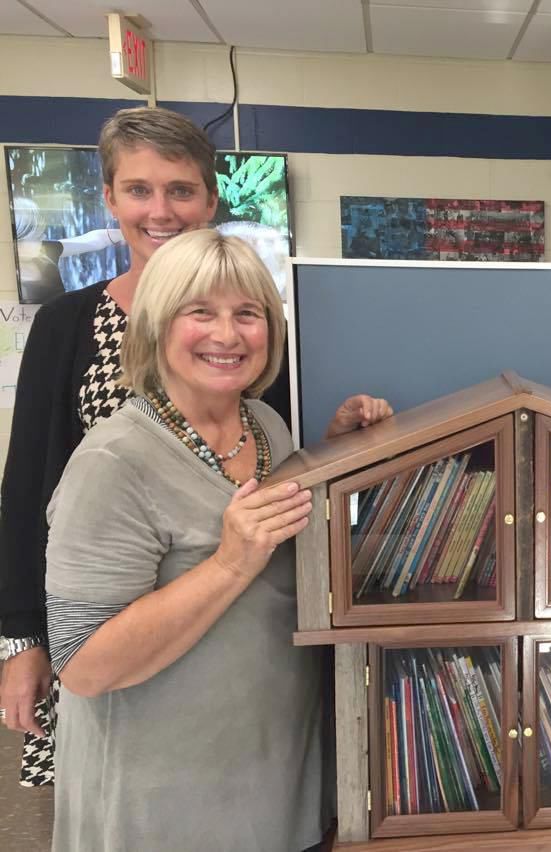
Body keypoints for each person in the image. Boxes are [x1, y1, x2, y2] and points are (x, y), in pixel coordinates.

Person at [0, 106, 389, 787]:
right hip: (109, 626)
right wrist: (21, 639)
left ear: (210, 201)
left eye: (180, 190)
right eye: (139, 190)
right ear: (110, 198)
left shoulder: (252, 337)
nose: (161, 211)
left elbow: (265, 461)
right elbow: (29, 484)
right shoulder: (68, 326)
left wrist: (328, 447)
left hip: (238, 645)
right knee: (122, 782)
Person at [42, 228, 382, 851]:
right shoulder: (112, 463)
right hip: (162, 801)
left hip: (275, 774)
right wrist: (229, 563)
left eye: (247, 314)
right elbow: (82, 664)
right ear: (156, 326)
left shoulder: (266, 426)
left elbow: (279, 559)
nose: (227, 335)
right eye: (199, 312)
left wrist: (332, 454)